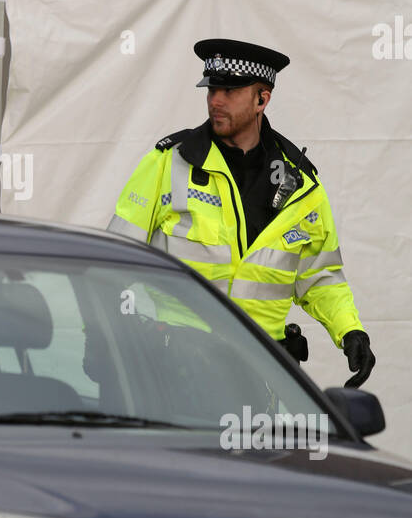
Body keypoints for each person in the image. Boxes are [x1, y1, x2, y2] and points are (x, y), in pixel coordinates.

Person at [107, 38, 375, 388]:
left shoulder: (302, 185)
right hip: (172, 371)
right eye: (212, 89)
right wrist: (101, 341)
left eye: (230, 90)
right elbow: (114, 260)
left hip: (262, 375)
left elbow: (320, 277)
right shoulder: (168, 163)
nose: (215, 100)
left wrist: (349, 330)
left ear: (262, 98)